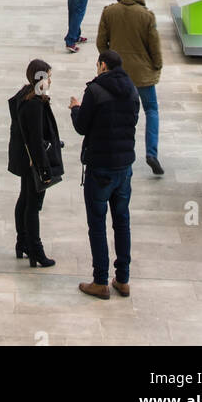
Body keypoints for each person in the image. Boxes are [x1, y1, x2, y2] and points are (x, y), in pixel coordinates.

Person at [69, 48, 140, 299]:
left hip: (100, 167)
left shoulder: (95, 91)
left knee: (97, 225)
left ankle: (100, 281)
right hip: (124, 168)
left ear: (102, 66)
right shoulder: (131, 89)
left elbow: (81, 127)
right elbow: (133, 119)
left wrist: (75, 108)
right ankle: (123, 279)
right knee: (122, 222)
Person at [97, 0, 164, 174]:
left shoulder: (109, 12)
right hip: (143, 75)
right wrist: (157, 65)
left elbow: (101, 42)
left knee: (118, 112)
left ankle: (116, 151)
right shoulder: (147, 16)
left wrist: (110, 61)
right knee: (151, 110)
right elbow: (155, 47)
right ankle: (151, 153)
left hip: (118, 74)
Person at [8, 59, 63, 267]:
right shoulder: (35, 105)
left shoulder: (26, 96)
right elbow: (35, 141)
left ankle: (22, 242)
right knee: (33, 206)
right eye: (48, 76)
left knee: (24, 199)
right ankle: (35, 249)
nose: (50, 80)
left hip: (25, 159)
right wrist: (44, 171)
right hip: (33, 163)